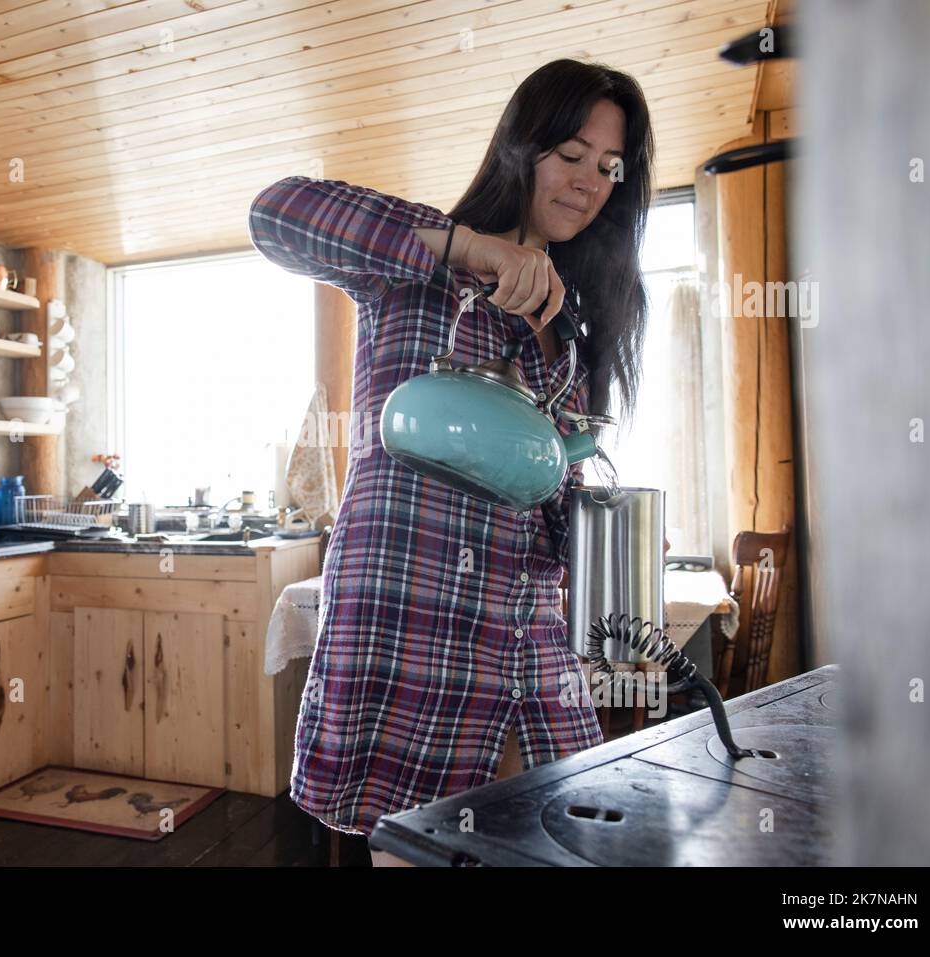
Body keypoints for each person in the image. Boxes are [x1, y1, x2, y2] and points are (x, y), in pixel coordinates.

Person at [247, 58, 655, 863]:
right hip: (411, 619)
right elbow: (276, 213)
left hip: (528, 634)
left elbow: (540, 484)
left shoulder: (568, 326)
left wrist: (595, 533)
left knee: (576, 842)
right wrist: (468, 249)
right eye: (571, 155)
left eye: (610, 168)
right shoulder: (416, 272)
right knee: (416, 849)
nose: (590, 183)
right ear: (522, 145)